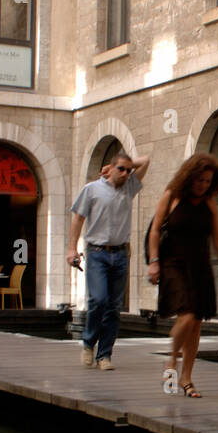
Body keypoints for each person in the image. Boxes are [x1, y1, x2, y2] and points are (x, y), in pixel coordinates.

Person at [146, 153, 218, 398]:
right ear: (189, 177)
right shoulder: (171, 197)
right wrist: (154, 262)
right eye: (200, 180)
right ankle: (171, 362)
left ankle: (187, 378)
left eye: (208, 181)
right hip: (173, 263)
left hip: (201, 265)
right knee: (187, 316)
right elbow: (155, 231)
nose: (203, 185)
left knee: (196, 323)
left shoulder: (209, 202)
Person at [67, 151, 150, 370]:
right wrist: (71, 249)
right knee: (99, 300)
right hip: (97, 252)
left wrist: (127, 165)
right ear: (110, 168)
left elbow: (147, 159)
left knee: (113, 307)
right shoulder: (92, 189)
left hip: (121, 253)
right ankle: (88, 343)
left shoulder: (129, 187)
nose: (125, 173)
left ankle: (104, 355)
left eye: (128, 170)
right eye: (120, 169)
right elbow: (78, 219)